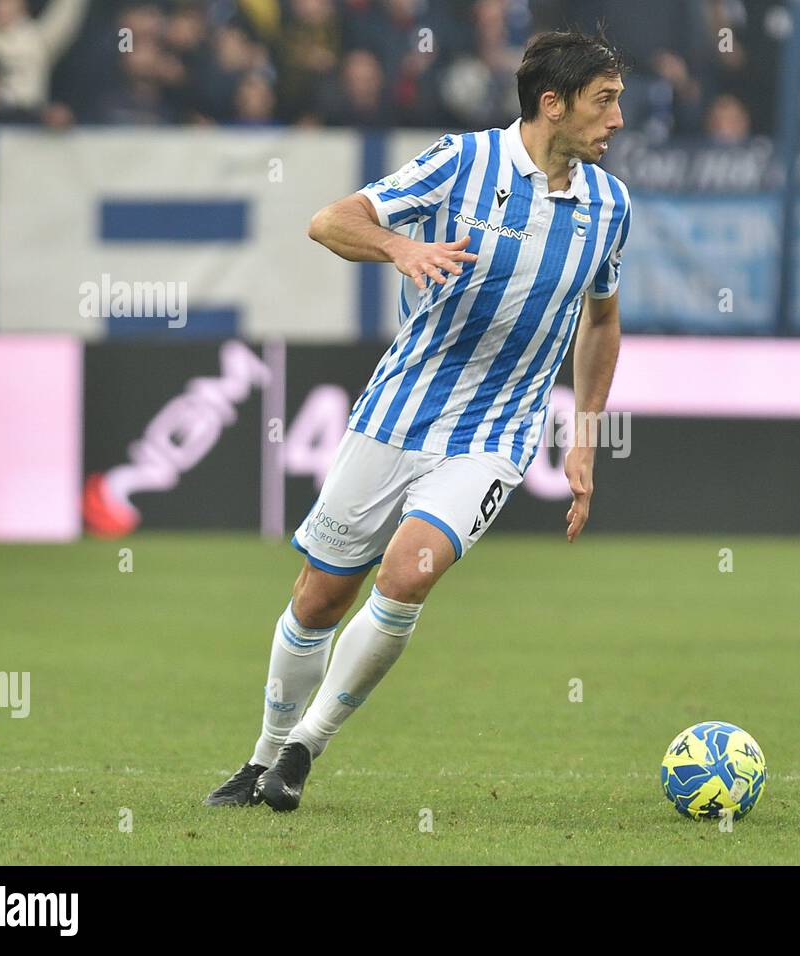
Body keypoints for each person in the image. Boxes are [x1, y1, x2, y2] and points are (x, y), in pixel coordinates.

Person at [205, 29, 632, 812]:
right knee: (318, 600)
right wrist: (398, 247)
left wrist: (586, 437)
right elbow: (329, 221)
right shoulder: (461, 162)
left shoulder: (610, 206)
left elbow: (601, 321)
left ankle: (303, 749)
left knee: (408, 574)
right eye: (604, 102)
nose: (616, 120)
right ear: (552, 104)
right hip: (398, 413)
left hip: (496, 434)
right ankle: (261, 755)